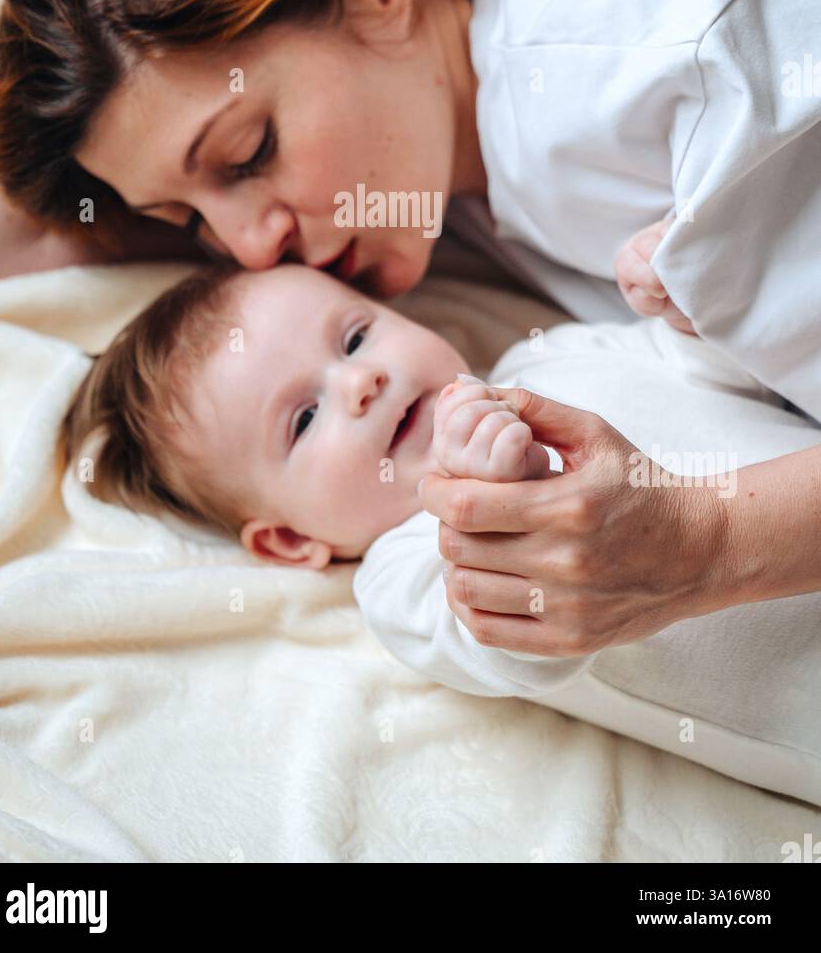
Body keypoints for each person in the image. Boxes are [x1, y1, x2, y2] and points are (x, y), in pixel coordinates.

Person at [0, 0, 821, 654]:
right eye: (185, 215)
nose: (248, 247)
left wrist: (713, 544)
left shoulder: (692, 58)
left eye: (248, 154)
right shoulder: (432, 153)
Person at [61, 258, 821, 799]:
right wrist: (501, 488)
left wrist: (694, 303)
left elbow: (733, 375)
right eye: (302, 418)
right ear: (290, 541)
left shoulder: (555, 351)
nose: (360, 383)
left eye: (355, 338)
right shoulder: (403, 577)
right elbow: (518, 641)